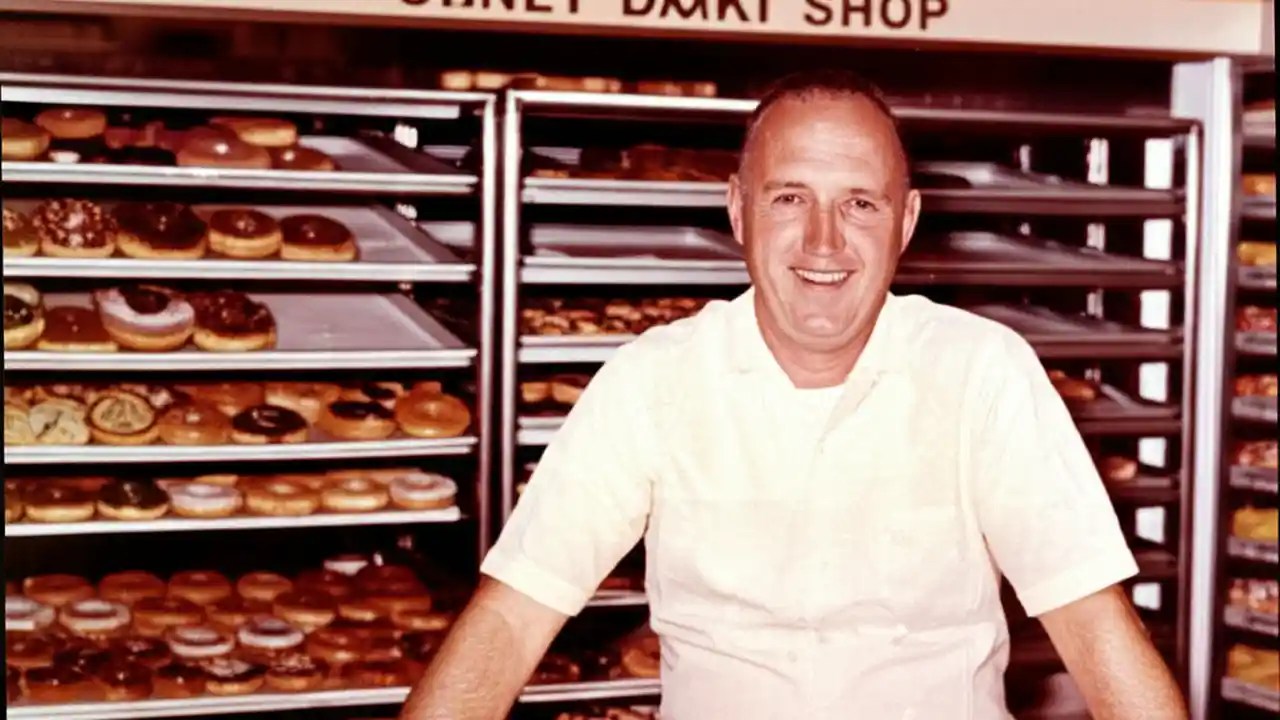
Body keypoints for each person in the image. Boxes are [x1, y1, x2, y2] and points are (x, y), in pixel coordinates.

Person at [400, 70, 1188, 720]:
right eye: (789, 199)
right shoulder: (655, 379)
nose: (822, 241)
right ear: (737, 209)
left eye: (859, 203)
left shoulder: (983, 372)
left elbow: (1092, 626)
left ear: (906, 221)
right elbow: (511, 617)